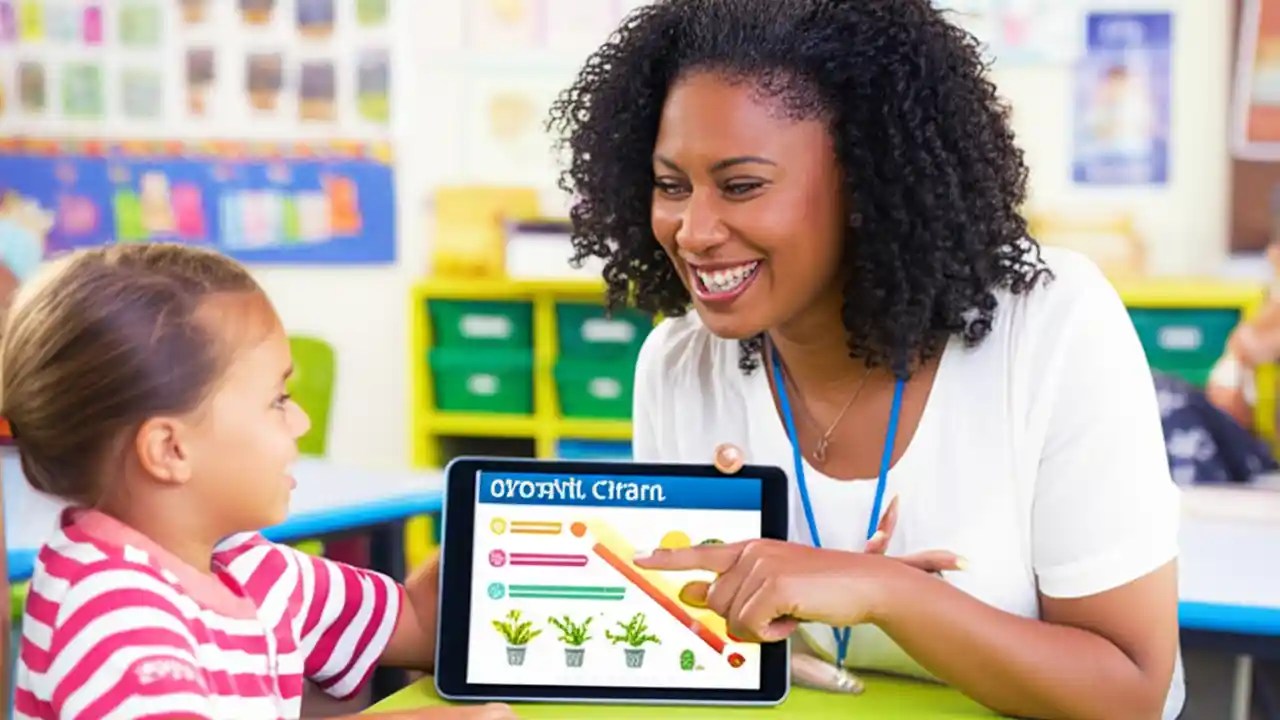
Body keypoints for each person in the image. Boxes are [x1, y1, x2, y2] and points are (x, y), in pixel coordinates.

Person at [548, 0, 1183, 718]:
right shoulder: (678, 367)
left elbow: (1131, 692)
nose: (692, 231)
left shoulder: (1050, 327)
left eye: (742, 186)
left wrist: (886, 592)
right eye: (671, 186)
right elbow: (692, 651)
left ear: (866, 179)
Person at [0, 244, 514, 720]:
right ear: (170, 450)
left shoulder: (250, 569)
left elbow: (419, 622)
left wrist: (511, 537)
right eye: (278, 400)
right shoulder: (113, 615)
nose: (302, 422)